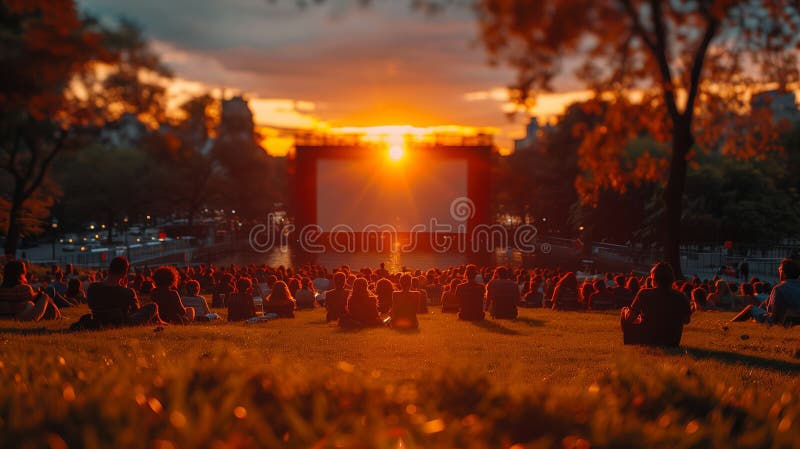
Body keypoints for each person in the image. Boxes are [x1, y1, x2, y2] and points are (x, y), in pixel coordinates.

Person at [620, 262, 692, 347]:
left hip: (648, 340)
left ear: (654, 278)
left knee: (624, 310)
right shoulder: (681, 296)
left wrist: (625, 311)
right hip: (672, 341)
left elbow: (630, 318)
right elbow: (686, 320)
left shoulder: (644, 293)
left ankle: (630, 339)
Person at [84, 257, 161, 328]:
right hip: (123, 323)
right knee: (153, 306)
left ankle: (159, 323)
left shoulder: (93, 287)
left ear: (109, 269)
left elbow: (91, 305)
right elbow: (136, 311)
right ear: (124, 273)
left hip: (99, 320)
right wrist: (125, 288)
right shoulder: (128, 292)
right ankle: (161, 323)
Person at [751, 259, 800, 325]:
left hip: (781, 321)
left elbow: (774, 315)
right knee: (767, 301)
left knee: (750, 308)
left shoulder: (778, 288)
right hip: (796, 320)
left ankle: (733, 323)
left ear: (783, 273)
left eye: (779, 270)